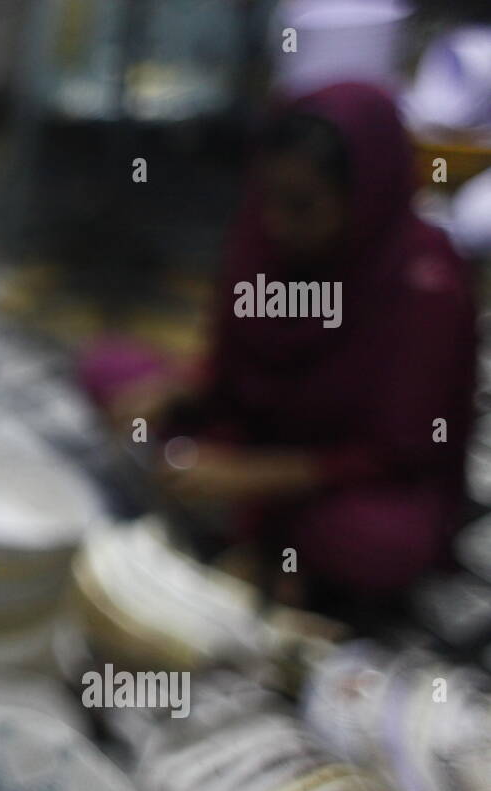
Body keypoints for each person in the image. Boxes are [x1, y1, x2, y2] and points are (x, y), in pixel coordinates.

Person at [83, 83, 479, 610]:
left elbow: (393, 453)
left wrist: (246, 477)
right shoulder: (263, 237)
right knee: (107, 368)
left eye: (302, 206)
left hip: (340, 479)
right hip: (249, 431)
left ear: (365, 195)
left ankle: (265, 540)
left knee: (377, 542)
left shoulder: (425, 285)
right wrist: (176, 391)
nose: (275, 222)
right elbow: (234, 366)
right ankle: (260, 539)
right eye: (267, 196)